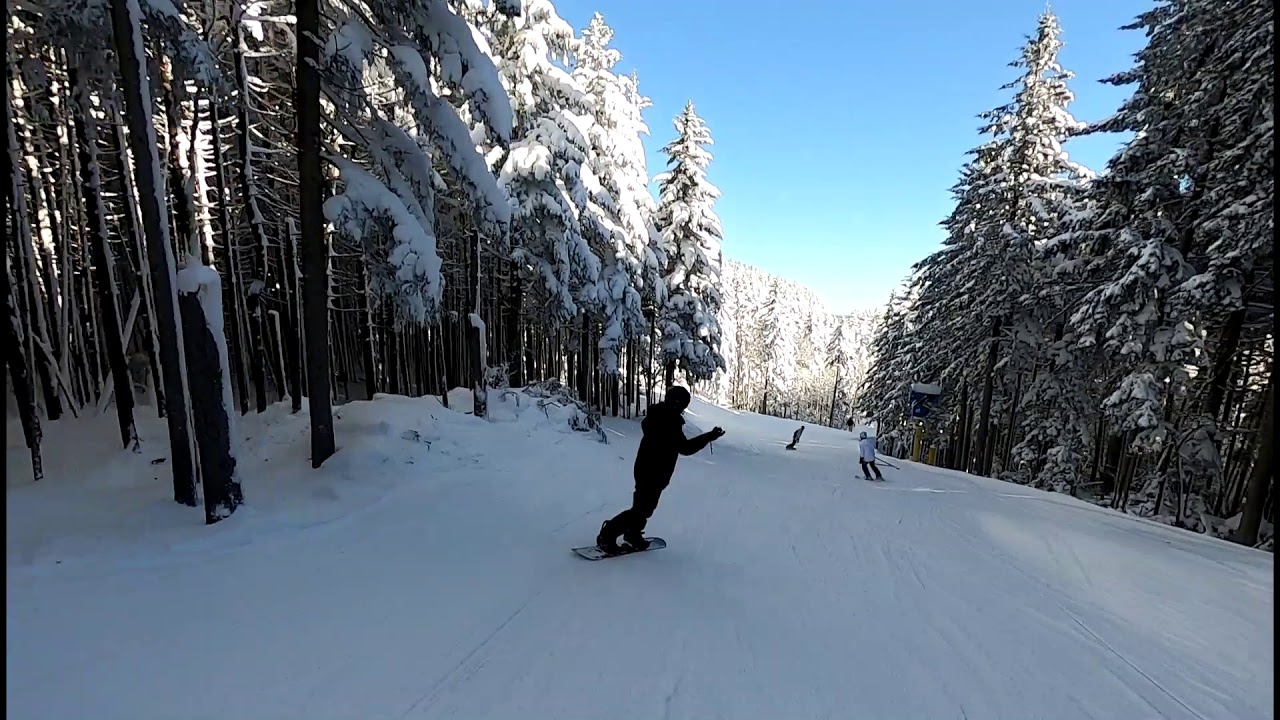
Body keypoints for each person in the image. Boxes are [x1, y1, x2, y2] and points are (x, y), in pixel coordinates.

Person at [597, 386, 725, 551]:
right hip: (654, 472)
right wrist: (709, 436)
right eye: (683, 405)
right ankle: (608, 534)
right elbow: (685, 448)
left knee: (643, 507)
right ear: (677, 403)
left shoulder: (659, 415)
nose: (683, 409)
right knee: (642, 509)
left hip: (647, 469)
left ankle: (632, 534)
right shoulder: (669, 421)